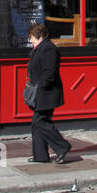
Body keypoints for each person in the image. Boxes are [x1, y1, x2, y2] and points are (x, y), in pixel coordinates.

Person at [26, 23, 71, 163]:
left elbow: (49, 72)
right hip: (40, 92)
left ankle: (62, 147)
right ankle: (40, 156)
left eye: (31, 37)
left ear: (39, 36)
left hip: (47, 92)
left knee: (39, 121)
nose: (30, 40)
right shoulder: (39, 48)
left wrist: (40, 87)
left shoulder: (48, 48)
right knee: (37, 122)